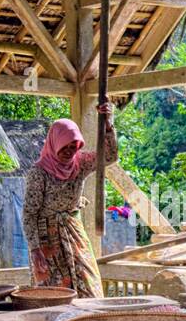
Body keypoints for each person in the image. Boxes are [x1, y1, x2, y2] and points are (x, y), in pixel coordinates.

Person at [22, 109, 117, 298]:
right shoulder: (39, 173)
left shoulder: (80, 163)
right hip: (46, 239)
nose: (69, 151)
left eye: (74, 146)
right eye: (65, 146)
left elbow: (109, 156)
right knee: (54, 293)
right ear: (55, 143)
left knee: (89, 284)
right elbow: (29, 214)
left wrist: (107, 124)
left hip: (73, 231)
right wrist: (35, 250)